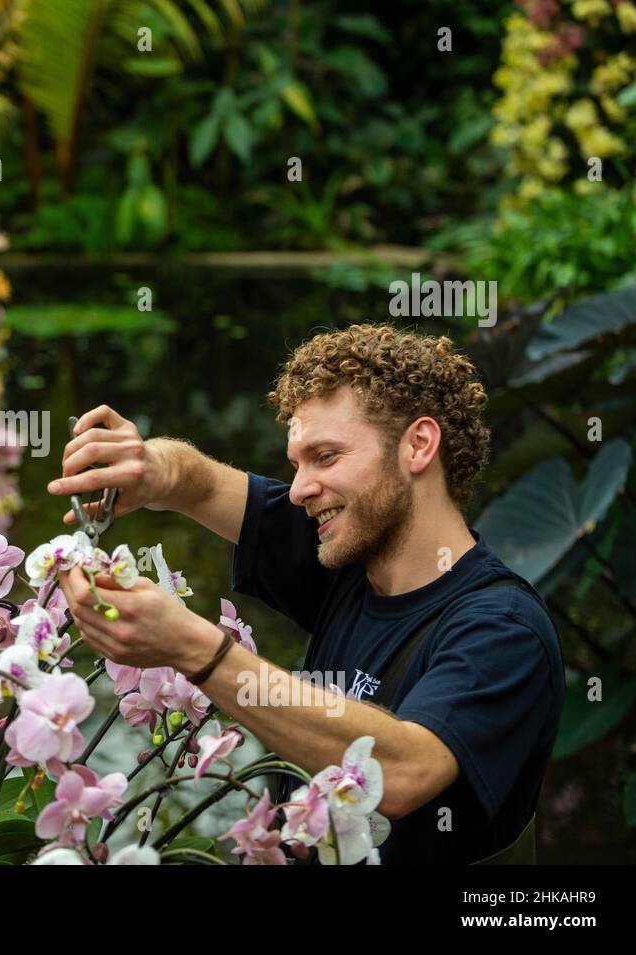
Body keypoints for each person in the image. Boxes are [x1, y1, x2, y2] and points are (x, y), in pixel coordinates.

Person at [51, 323, 563, 864]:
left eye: (326, 457)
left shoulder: (503, 628)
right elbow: (196, 482)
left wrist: (197, 651)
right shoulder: (348, 555)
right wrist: (151, 466)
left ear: (418, 445)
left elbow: (406, 770)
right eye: (297, 463)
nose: (298, 490)